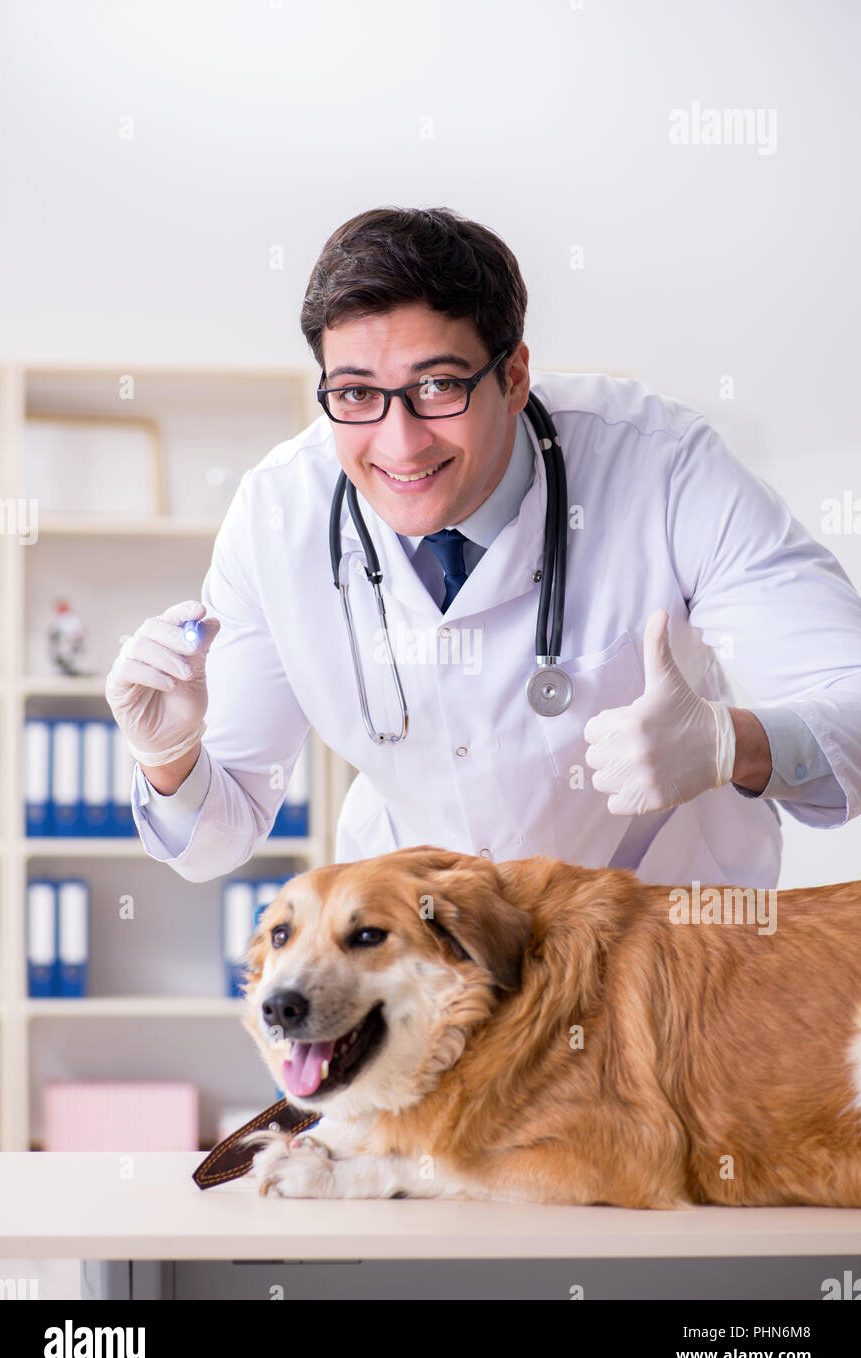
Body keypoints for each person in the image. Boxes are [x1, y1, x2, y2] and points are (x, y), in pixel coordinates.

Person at [105, 206, 861, 887]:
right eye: (356, 393)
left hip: (666, 951)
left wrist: (736, 743)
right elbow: (218, 837)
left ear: (514, 375)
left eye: (437, 386)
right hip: (428, 958)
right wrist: (169, 757)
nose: (398, 443)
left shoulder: (662, 466)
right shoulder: (278, 514)